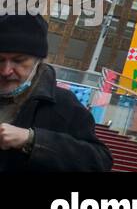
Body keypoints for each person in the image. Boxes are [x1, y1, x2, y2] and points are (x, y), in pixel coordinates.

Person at [0, 13, 112, 173]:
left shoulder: (62, 104)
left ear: (38, 61)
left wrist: (32, 140)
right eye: (0, 60)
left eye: (18, 61)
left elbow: (100, 161)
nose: (5, 71)